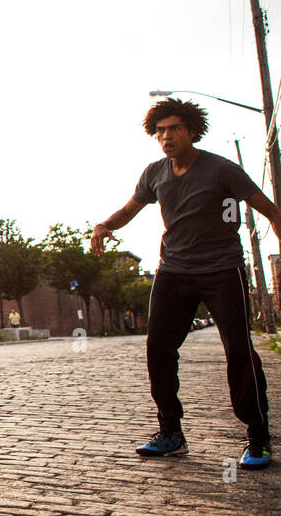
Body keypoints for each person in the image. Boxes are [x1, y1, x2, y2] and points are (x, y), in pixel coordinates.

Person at [91, 97, 277, 469]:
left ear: (192, 131)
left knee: (238, 350)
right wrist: (104, 225)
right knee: (158, 348)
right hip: (173, 271)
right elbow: (129, 210)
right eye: (160, 130)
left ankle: (258, 435)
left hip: (223, 270)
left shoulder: (223, 170)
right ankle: (170, 433)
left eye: (174, 128)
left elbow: (271, 211)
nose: (167, 136)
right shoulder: (154, 173)